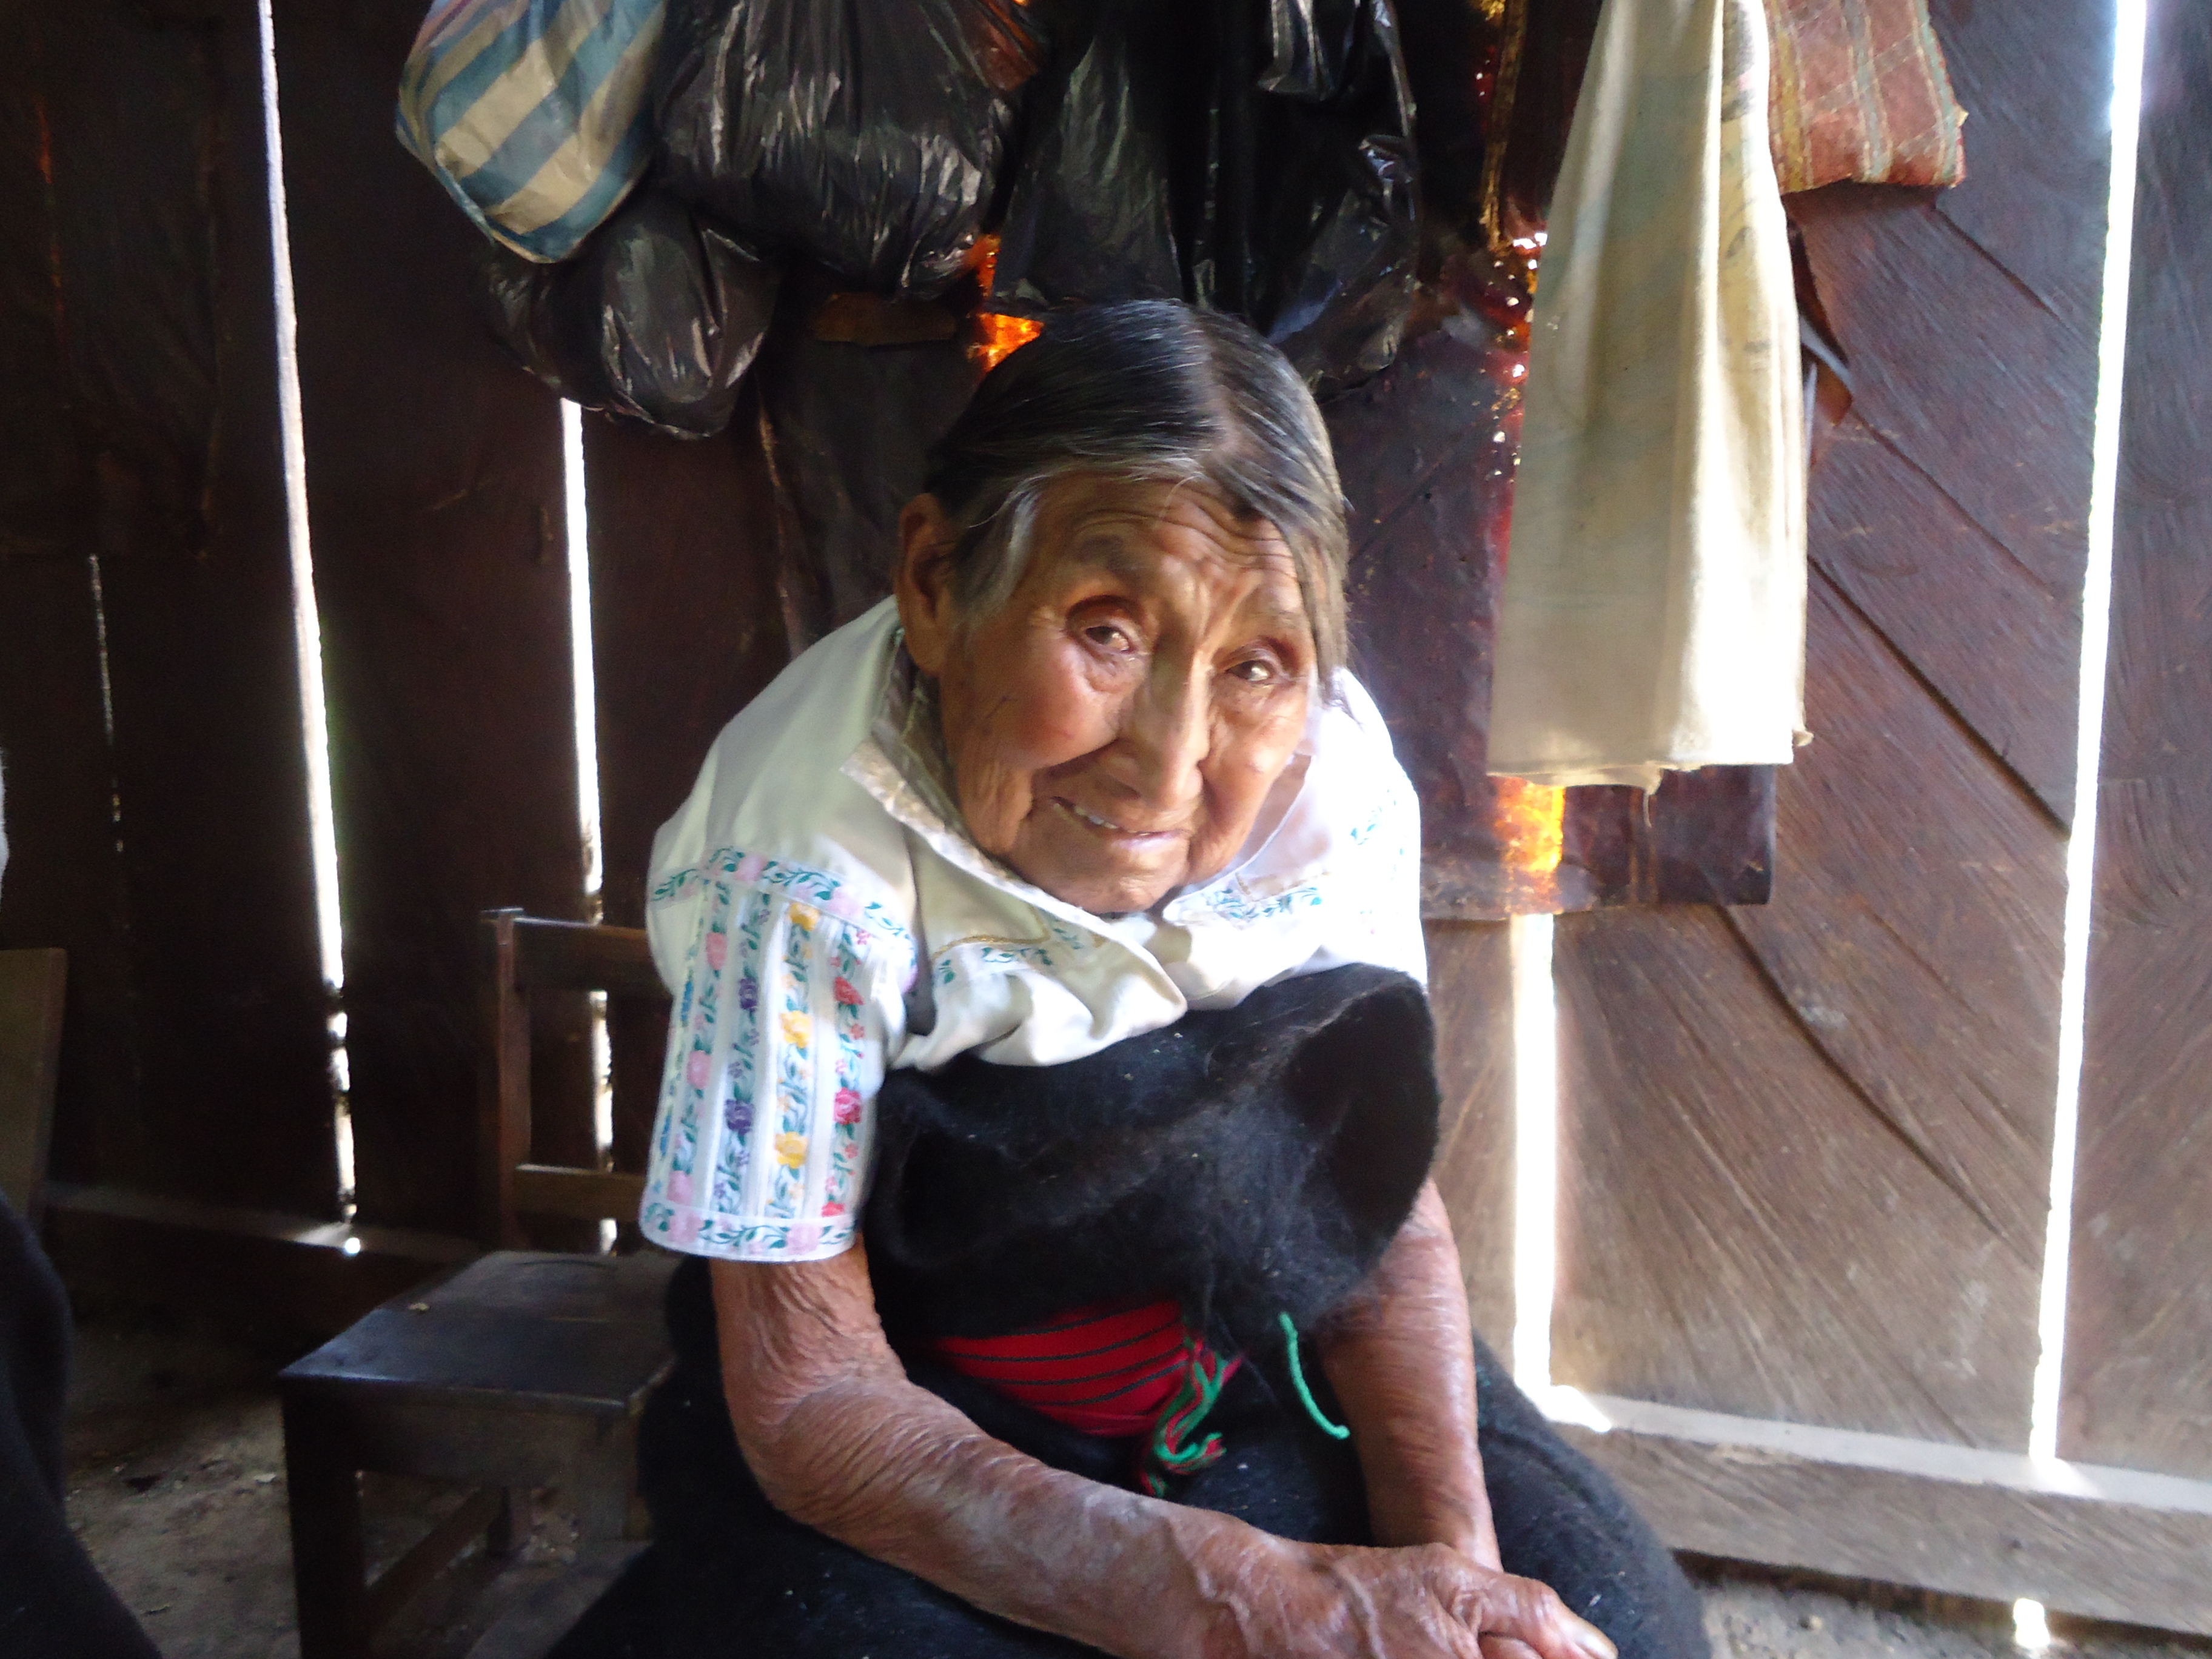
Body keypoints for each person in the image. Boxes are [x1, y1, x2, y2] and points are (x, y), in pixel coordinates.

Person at [577, 302, 1709, 1659]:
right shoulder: (800, 862)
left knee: (1606, 1623)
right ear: (936, 583)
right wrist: (1258, 1602)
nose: (1169, 765)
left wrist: (1445, 1577)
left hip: (1249, 1366)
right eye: (1106, 630)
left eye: (1253, 667)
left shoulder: (1332, 783)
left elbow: (1379, 1216)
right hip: (920, 1420)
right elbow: (814, 1400)